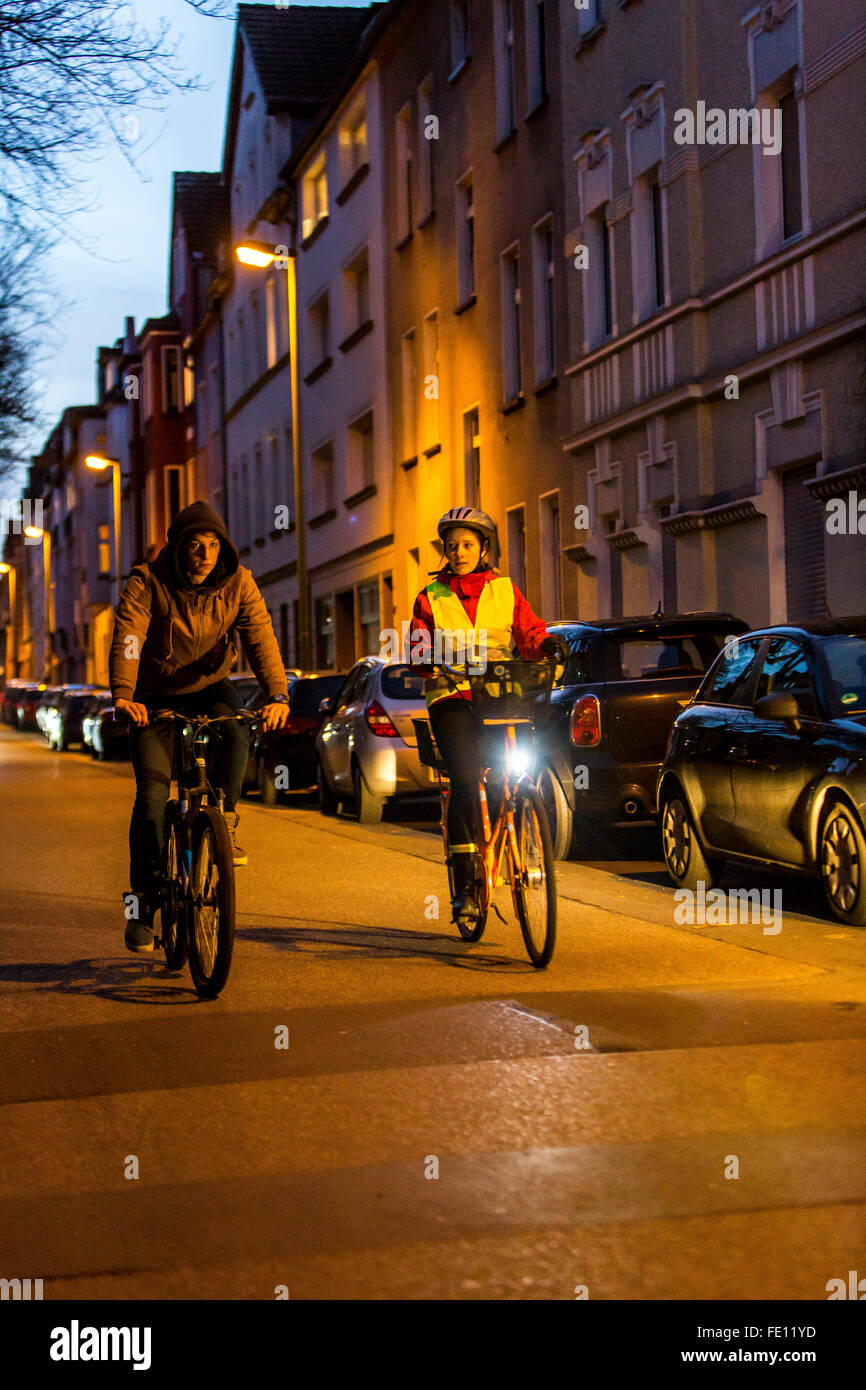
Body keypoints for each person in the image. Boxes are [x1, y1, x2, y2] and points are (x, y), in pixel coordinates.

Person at [109, 500, 290, 954]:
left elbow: (260, 637)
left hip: (209, 685)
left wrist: (278, 695)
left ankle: (224, 819)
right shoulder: (147, 581)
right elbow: (129, 635)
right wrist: (123, 695)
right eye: (195, 545)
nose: (205, 555)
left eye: (213, 545)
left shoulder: (239, 582)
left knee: (237, 730)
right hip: (152, 696)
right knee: (151, 798)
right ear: (178, 549)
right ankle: (143, 907)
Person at [410, 506, 568, 926]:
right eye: (452, 546)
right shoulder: (430, 596)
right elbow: (418, 646)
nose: (459, 552)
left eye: (467, 544)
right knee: (465, 780)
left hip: (500, 699)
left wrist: (547, 645)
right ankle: (465, 887)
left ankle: (512, 838)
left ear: (483, 548)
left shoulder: (504, 589)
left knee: (507, 776)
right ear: (444, 550)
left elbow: (529, 631)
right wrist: (428, 660)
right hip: (452, 698)